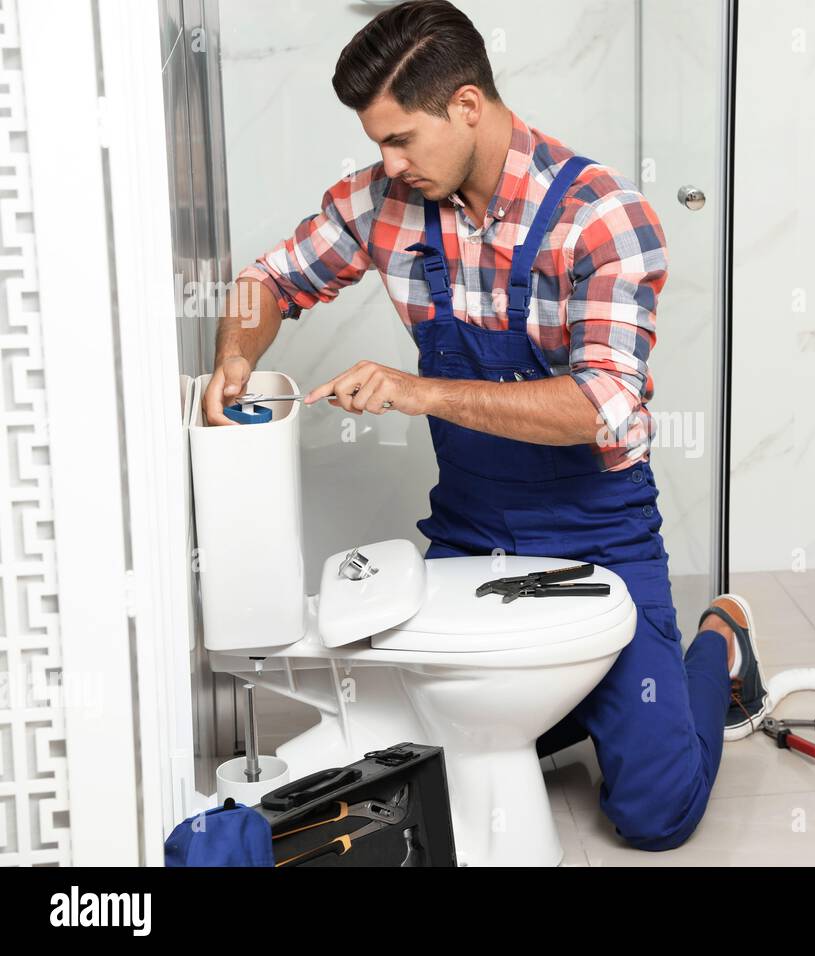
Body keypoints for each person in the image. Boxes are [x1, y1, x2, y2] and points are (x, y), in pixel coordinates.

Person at [202, 0, 768, 851]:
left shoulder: (601, 216)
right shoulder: (385, 201)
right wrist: (234, 359)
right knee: (446, 761)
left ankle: (720, 642)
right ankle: (580, 698)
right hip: (474, 527)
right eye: (376, 143)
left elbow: (599, 406)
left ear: (467, 106)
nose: (387, 162)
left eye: (401, 139)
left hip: (598, 530)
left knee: (655, 817)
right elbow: (267, 282)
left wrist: (415, 390)